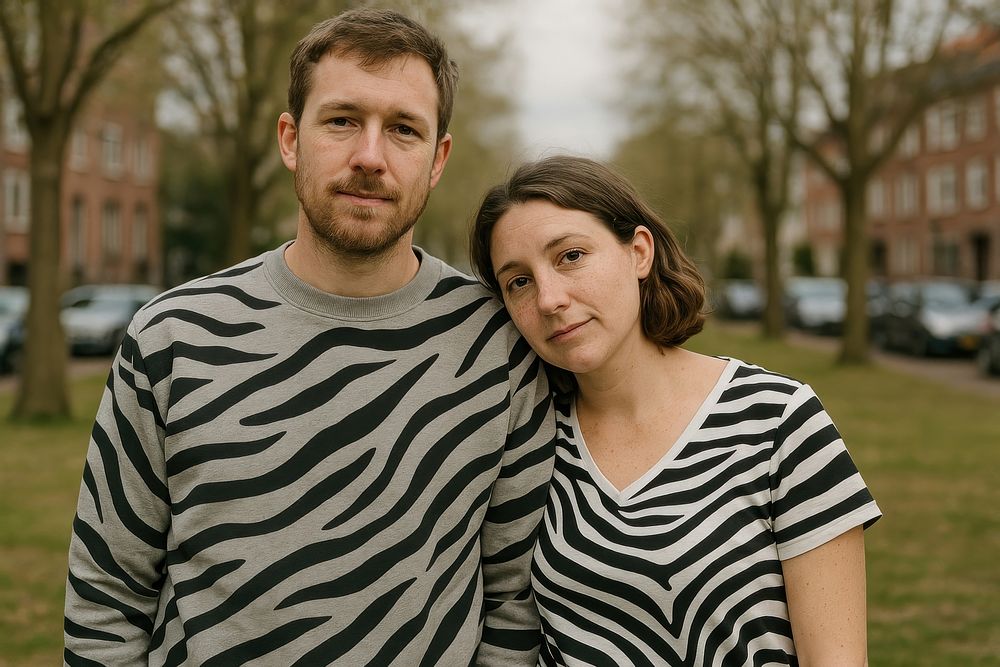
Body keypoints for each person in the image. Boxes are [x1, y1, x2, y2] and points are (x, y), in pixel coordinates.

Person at [63, 9, 554, 665]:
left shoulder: (500, 349)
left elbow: (514, 608)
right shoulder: (170, 337)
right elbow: (104, 599)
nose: (370, 157)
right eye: (343, 120)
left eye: (403, 129)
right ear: (291, 138)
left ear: (438, 159)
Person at [469, 155, 882, 666]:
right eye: (519, 282)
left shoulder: (779, 421)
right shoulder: (529, 438)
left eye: (571, 256)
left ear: (638, 252)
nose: (550, 298)